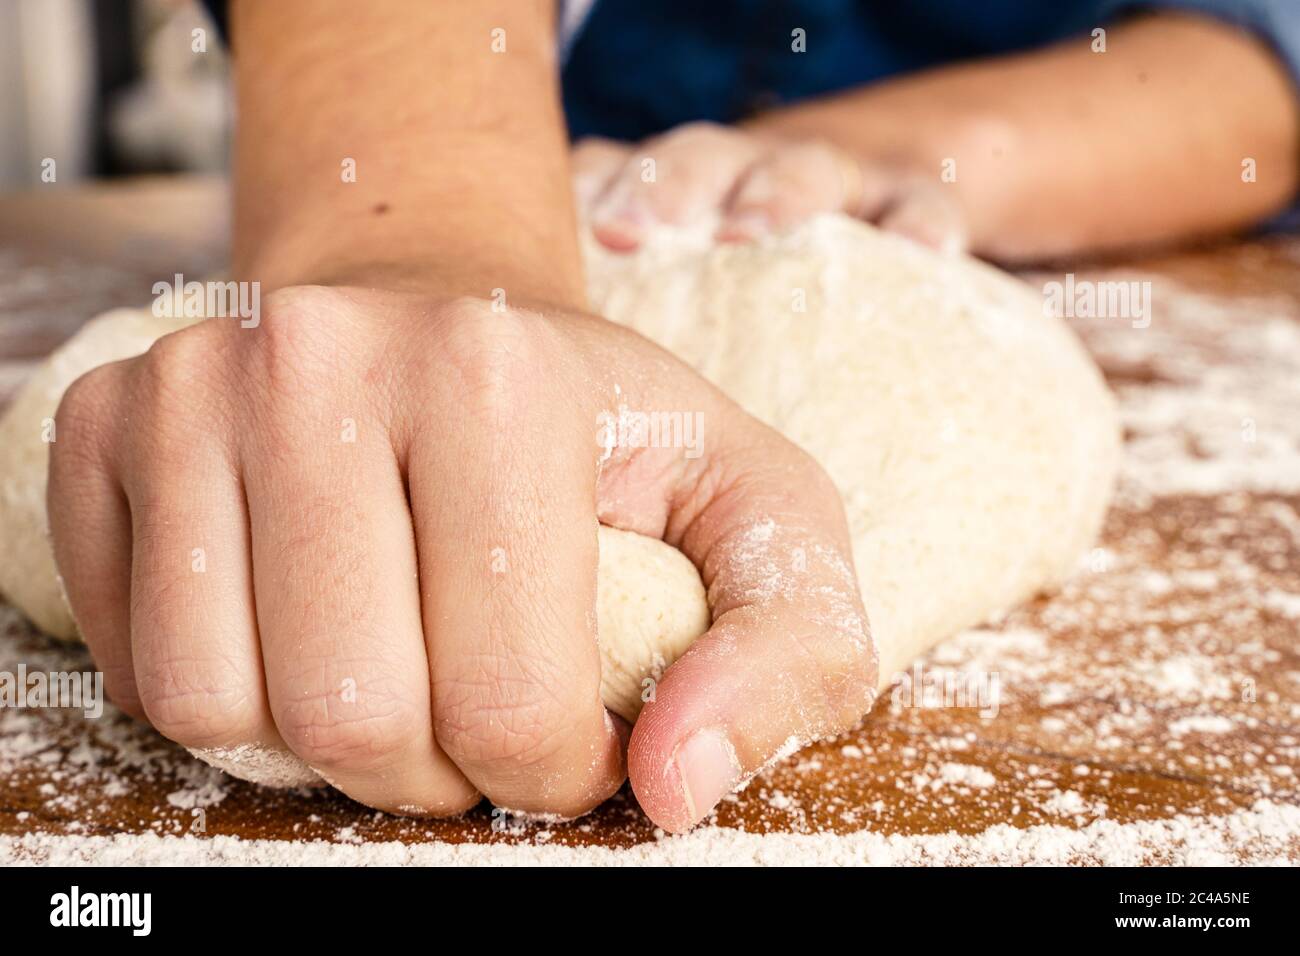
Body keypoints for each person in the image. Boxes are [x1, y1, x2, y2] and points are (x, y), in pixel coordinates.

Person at [48, 0, 1298, 833]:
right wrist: (428, 247)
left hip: (1031, 175)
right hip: (489, 161)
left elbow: (1260, 46)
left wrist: (884, 151)